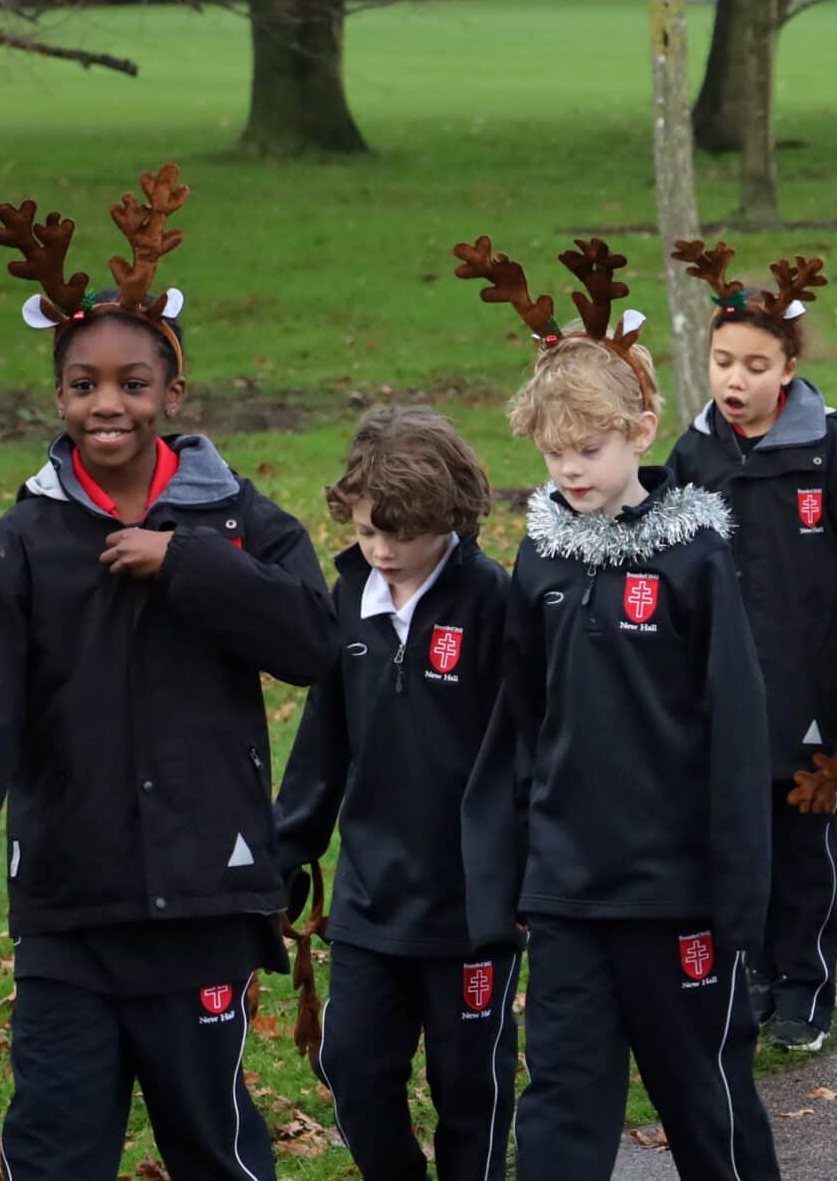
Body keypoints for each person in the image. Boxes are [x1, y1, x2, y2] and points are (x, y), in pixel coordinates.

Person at [0, 165, 339, 1180]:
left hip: (207, 898)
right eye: (82, 384)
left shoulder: (236, 516)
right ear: (58, 395)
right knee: (56, 1147)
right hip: (72, 906)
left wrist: (187, 561)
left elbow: (315, 643)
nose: (106, 404)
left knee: (215, 1146)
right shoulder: (20, 545)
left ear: (172, 394)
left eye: (131, 384)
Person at [452, 234, 778, 1181]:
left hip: (676, 896)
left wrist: (737, 899)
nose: (570, 472)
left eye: (589, 449)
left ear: (641, 431)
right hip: (566, 894)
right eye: (555, 455)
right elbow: (517, 725)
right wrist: (508, 873)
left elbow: (734, 731)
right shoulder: (541, 561)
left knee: (707, 1106)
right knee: (558, 1105)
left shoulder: (695, 561)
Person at [662, 241, 837, 1053]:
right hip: (719, 695)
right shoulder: (692, 457)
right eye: (723, 361)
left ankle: (807, 985)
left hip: (812, 692)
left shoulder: (832, 454)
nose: (736, 380)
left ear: (790, 367)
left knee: (803, 846)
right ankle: (755, 973)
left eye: (755, 364)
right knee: (737, 839)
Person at [271, 407, 518, 1181]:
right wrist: (287, 848)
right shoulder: (350, 600)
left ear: (449, 518)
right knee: (351, 1064)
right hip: (372, 897)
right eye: (368, 529)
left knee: (468, 1087)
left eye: (399, 536)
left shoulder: (492, 602)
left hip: (472, 905)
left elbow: (522, 750)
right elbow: (322, 742)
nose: (380, 550)